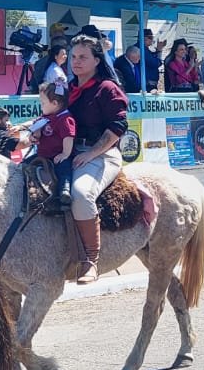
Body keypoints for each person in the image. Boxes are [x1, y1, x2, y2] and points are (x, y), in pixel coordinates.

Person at [64, 35, 129, 283]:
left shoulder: (107, 89)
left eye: (83, 57)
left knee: (81, 194)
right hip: (69, 152)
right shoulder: (68, 89)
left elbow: (118, 126)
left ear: (96, 60)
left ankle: (91, 260)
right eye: (73, 57)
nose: (76, 62)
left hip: (102, 155)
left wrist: (91, 153)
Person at [28, 81, 77, 214]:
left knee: (64, 169)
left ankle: (64, 190)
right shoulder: (45, 118)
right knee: (24, 165)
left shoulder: (64, 119)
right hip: (43, 155)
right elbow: (36, 133)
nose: (41, 106)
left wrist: (65, 154)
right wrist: (34, 136)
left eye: (43, 103)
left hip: (57, 155)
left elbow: (68, 137)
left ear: (55, 104)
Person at [140, 28, 165, 92]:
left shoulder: (145, 50)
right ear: (144, 38)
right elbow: (156, 63)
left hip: (148, 82)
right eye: (150, 38)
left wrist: (158, 50)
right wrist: (159, 50)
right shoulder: (142, 50)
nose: (152, 40)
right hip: (147, 83)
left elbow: (152, 57)